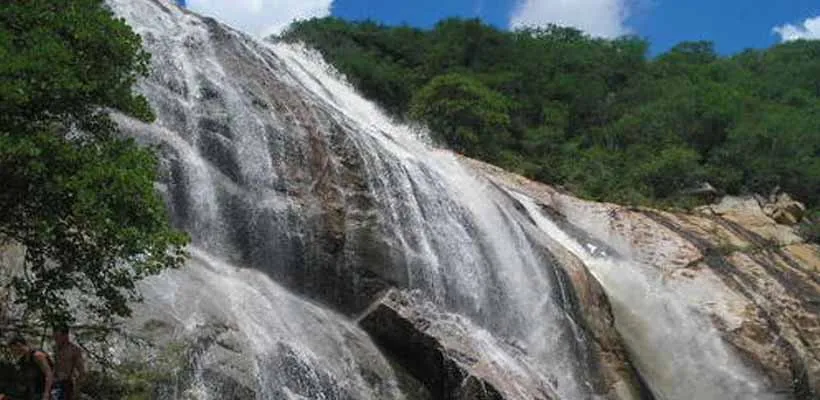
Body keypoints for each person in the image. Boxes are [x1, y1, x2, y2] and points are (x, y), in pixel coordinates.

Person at [7, 336, 54, 400]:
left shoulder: (37, 355)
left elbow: (49, 374)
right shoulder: (22, 361)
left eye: (13, 349)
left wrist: (46, 393)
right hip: (33, 393)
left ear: (19, 345)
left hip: (44, 392)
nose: (13, 352)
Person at [51, 326, 84, 400]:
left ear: (65, 336)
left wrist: (77, 390)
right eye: (54, 337)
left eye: (57, 337)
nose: (55, 340)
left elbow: (82, 372)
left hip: (67, 383)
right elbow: (55, 365)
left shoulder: (74, 350)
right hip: (55, 382)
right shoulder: (55, 348)